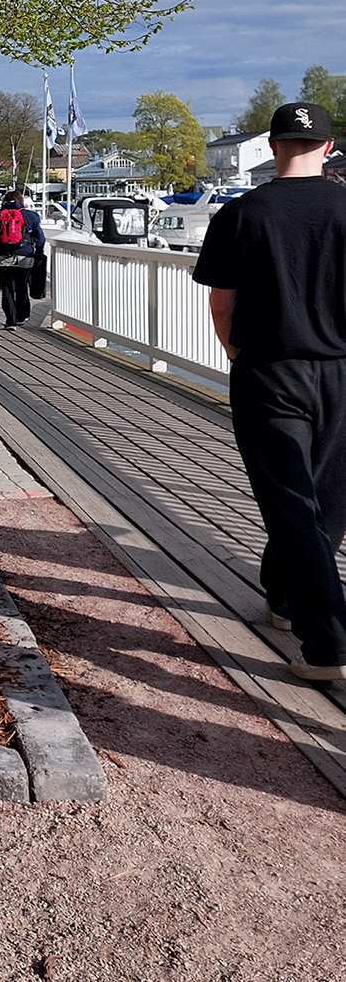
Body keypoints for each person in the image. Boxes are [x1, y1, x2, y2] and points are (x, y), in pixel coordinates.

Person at [193, 101, 346, 681]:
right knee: (328, 498)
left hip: (269, 370)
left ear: (273, 146)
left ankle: (327, 644)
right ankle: (284, 598)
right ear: (328, 148)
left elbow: (221, 301)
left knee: (288, 501)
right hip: (342, 370)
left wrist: (234, 351)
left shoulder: (243, 213)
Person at [0, 190, 46, 329]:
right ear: (21, 201)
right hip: (25, 256)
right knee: (22, 287)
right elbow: (40, 239)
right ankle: (22, 316)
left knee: (7, 287)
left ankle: (11, 321)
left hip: (2, 256)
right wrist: (38, 254)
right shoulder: (31, 216)